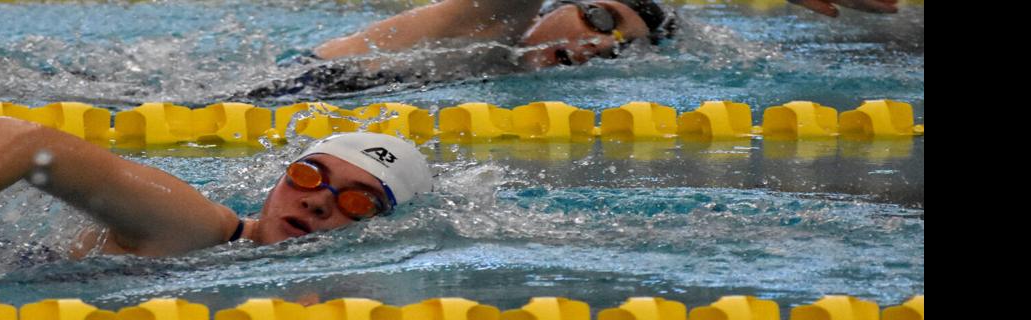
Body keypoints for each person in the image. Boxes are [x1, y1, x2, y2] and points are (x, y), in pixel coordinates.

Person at [0, 122, 435, 258]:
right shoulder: (195, 226)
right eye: (309, 175)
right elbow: (24, 140)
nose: (317, 199)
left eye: (358, 201)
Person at [247, 0, 902, 99]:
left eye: (616, 49)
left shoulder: (501, 83)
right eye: (598, 16)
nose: (596, 43)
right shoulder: (483, 24)